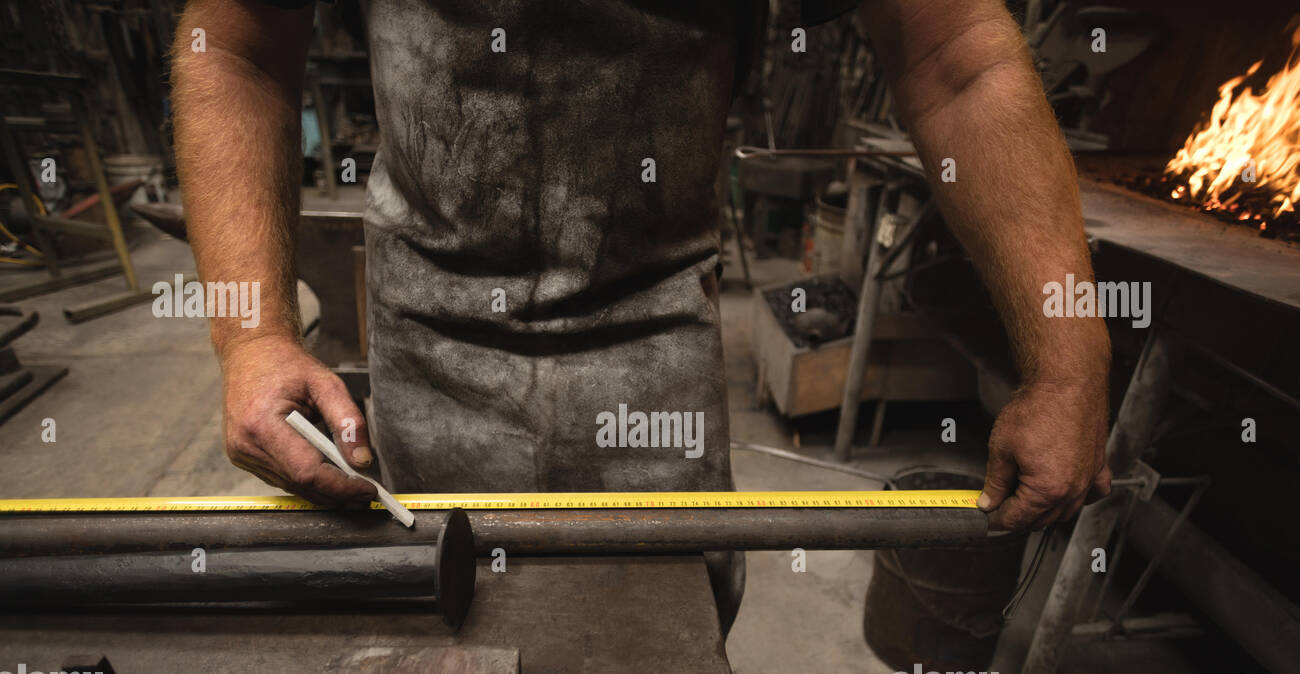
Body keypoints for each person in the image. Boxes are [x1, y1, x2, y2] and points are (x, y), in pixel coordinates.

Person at [171, 0, 1112, 632]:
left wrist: (1068, 359)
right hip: (428, 350)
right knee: (433, 646)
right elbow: (237, 40)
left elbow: (954, 56)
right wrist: (251, 333)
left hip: (654, 355)